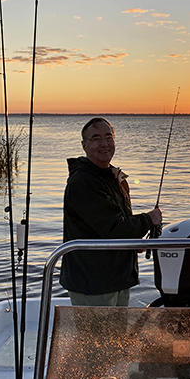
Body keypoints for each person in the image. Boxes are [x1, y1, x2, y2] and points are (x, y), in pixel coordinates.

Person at [59, 117, 162, 307]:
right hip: (92, 282)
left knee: (117, 336)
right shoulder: (82, 182)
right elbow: (114, 228)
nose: (104, 144)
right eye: (96, 138)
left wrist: (133, 242)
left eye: (108, 137)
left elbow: (118, 221)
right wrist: (149, 219)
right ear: (84, 145)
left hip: (118, 277)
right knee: (96, 337)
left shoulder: (114, 177)